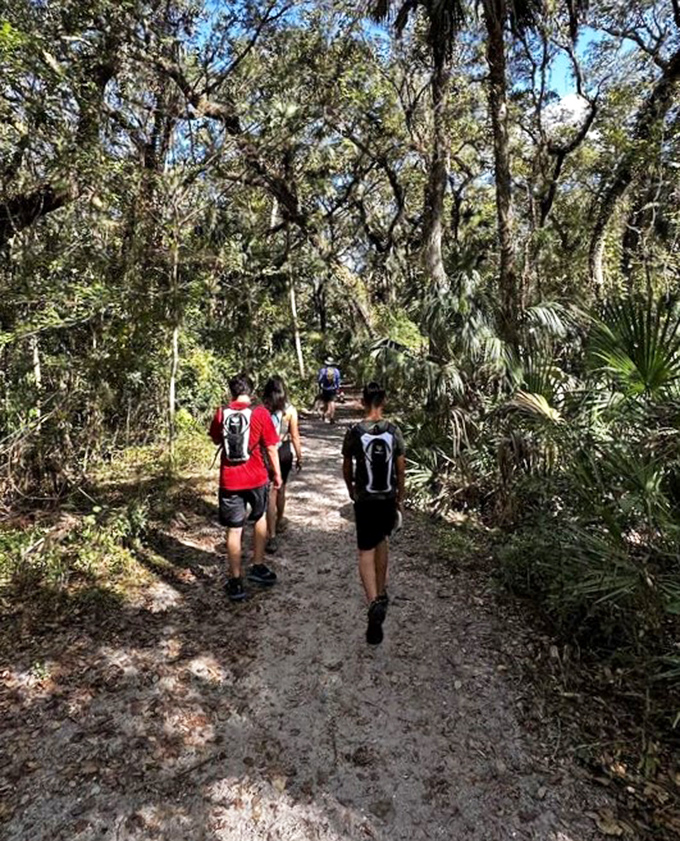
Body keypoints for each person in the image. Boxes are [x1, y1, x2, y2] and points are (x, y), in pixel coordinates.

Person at [342, 382, 406, 645]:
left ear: (362, 402)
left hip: (365, 499)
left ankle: (373, 603)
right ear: (384, 401)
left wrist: (351, 490)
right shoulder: (394, 431)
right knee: (382, 541)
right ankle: (381, 592)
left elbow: (347, 466)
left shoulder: (354, 432)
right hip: (387, 497)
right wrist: (400, 498)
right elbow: (400, 469)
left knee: (365, 551)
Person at [209, 373, 283, 602]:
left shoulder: (221, 412)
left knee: (234, 529)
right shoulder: (260, 413)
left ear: (231, 391)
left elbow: (215, 439)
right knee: (259, 518)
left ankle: (235, 580)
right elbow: (271, 448)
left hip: (230, 480)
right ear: (251, 390)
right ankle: (258, 565)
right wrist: (277, 474)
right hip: (257, 478)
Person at [261, 376, 303, 554]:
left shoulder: (263, 409)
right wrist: (299, 456)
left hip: (267, 452)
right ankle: (279, 521)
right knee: (281, 487)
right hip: (284, 451)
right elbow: (295, 436)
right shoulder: (290, 410)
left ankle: (271, 534)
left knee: (270, 492)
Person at [317, 358, 341, 423]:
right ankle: (332, 417)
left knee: (325, 402)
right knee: (332, 402)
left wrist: (320, 386)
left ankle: (324, 415)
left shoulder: (323, 370)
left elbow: (319, 380)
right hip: (333, 389)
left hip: (325, 389)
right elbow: (338, 381)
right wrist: (337, 388)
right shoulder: (336, 371)